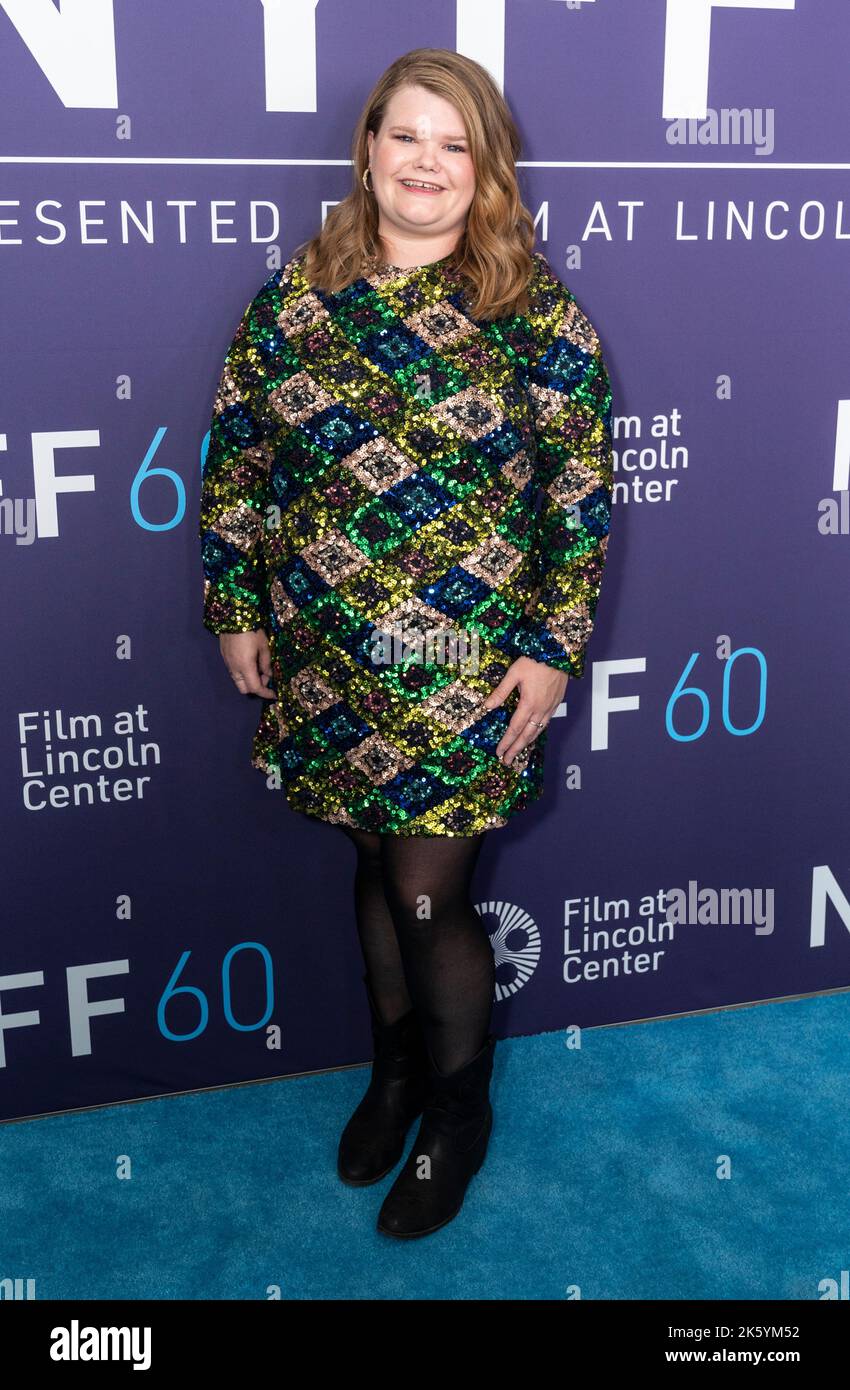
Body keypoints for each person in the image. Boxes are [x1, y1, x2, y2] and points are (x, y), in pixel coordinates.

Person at [199, 48, 614, 1240]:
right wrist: (236, 602)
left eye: (453, 142)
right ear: (368, 151)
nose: (425, 162)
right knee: (373, 864)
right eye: (404, 137)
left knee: (430, 891)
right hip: (329, 653)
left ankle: (457, 1110)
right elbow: (238, 461)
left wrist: (552, 644)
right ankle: (392, 1074)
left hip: (466, 668)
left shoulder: (534, 311)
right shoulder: (298, 295)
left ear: (482, 166)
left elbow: (578, 496)